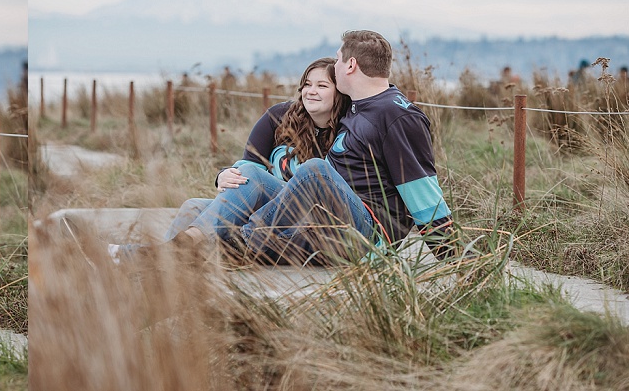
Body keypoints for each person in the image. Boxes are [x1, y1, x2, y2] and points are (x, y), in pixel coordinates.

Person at [234, 30, 458, 262]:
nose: (335, 66)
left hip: (366, 237)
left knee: (315, 172)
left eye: (338, 59)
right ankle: (219, 240)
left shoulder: (396, 115)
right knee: (202, 209)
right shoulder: (356, 107)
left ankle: (245, 240)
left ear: (350, 65)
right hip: (327, 222)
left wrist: (458, 261)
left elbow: (424, 195)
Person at [109, 57, 350, 265]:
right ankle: (167, 272)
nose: (311, 91)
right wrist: (224, 174)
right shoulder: (279, 116)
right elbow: (249, 165)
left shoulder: (350, 128)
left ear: (339, 91)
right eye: (307, 84)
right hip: (265, 212)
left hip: (308, 219)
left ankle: (163, 255)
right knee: (193, 205)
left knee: (248, 178)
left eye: (322, 85)